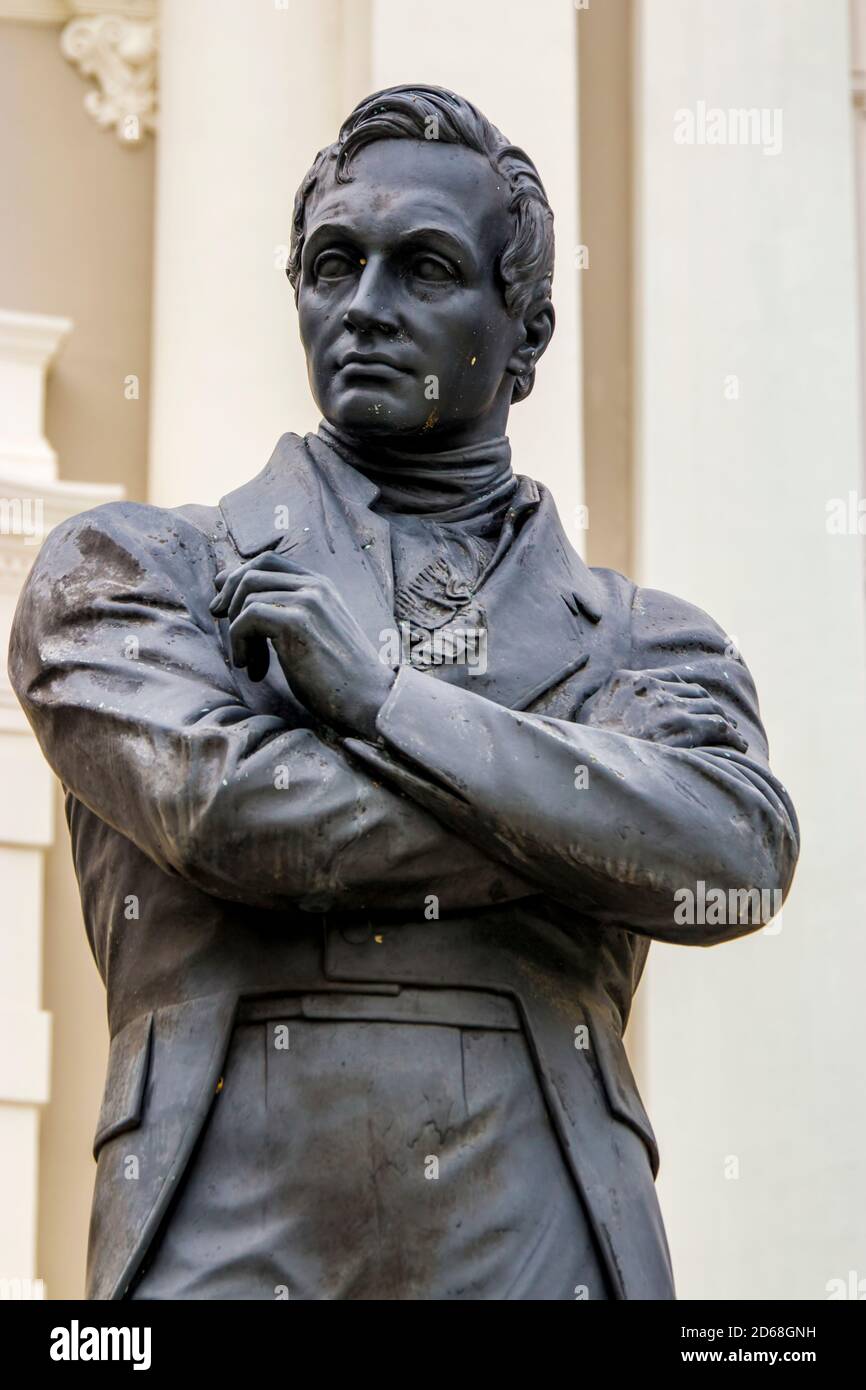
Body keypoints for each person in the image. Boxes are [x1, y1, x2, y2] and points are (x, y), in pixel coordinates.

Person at [8, 85, 799, 1301]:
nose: (365, 307)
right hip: (217, 1224)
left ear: (525, 331)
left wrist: (382, 703)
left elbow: (730, 851)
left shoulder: (646, 643)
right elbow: (229, 816)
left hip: (545, 1223)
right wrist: (583, 826)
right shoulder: (131, 572)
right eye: (334, 264)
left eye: (423, 268)